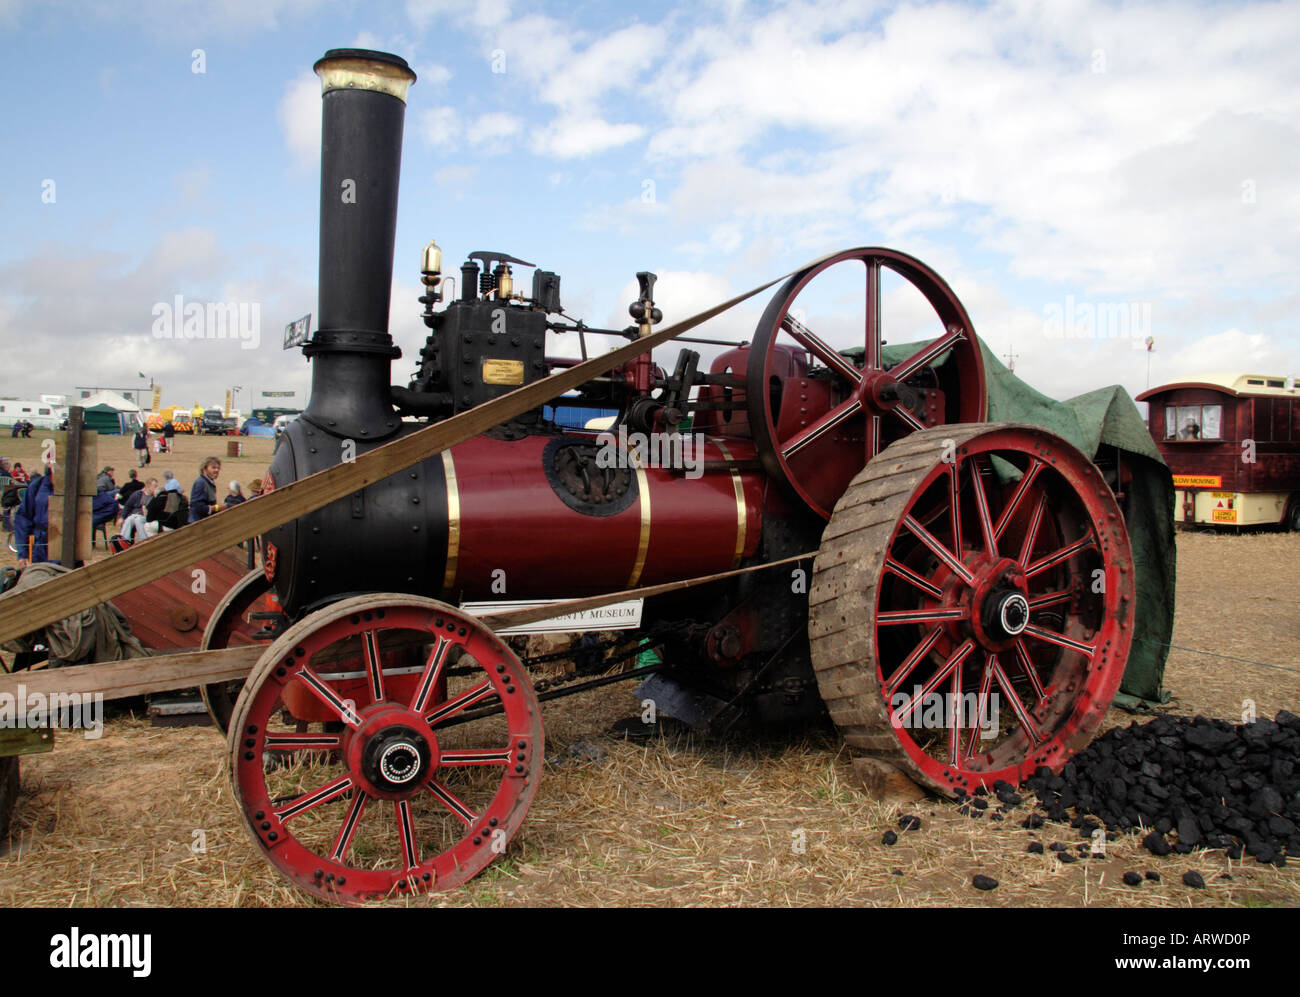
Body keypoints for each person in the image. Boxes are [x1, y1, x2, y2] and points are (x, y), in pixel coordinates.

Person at [13, 465, 53, 566]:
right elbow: (23, 518)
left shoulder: (77, 488)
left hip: (68, 546)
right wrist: (23, 553)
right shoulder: (38, 486)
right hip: (39, 547)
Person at [120, 477, 158, 542]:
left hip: (146, 517)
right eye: (155, 486)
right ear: (148, 486)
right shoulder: (137, 494)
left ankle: (143, 541)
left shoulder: (155, 497)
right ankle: (123, 540)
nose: (156, 488)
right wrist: (122, 517)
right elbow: (127, 506)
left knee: (138, 519)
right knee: (129, 519)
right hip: (135, 515)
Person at [188, 456, 221, 523]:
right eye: (213, 467)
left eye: (218, 468)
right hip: (197, 524)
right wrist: (217, 507)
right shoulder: (201, 483)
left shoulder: (209, 483)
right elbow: (197, 507)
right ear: (204, 469)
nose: (217, 470)